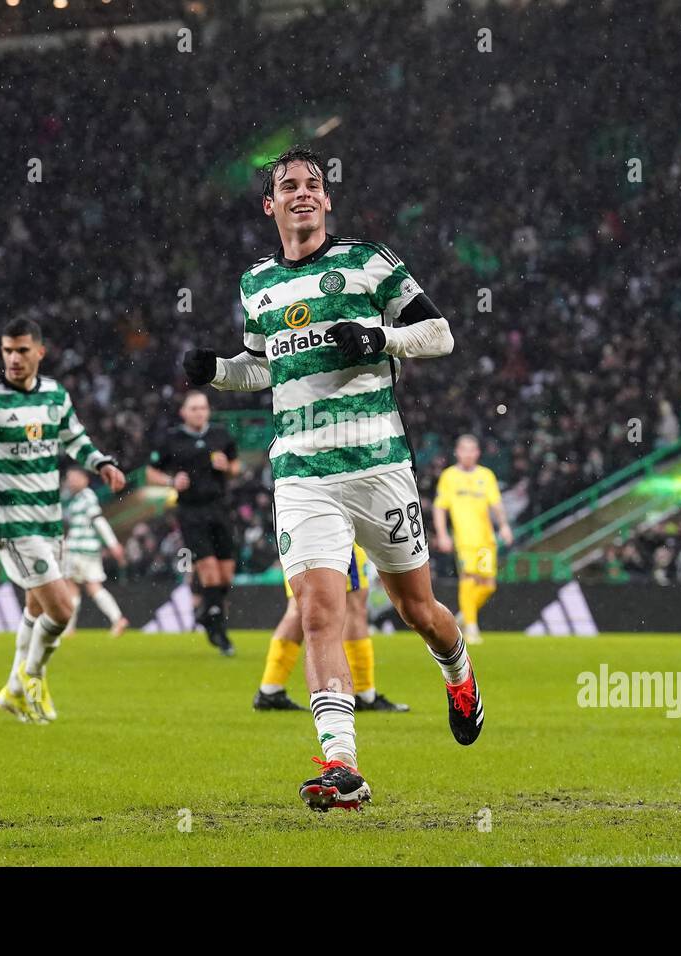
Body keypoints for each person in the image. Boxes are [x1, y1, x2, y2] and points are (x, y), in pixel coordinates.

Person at [183, 145, 482, 812]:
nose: (302, 194)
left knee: (416, 611)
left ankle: (459, 674)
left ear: (327, 200)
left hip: (378, 466)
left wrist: (383, 339)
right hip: (301, 473)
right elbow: (263, 368)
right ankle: (341, 764)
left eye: (312, 185)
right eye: (288, 186)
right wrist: (216, 372)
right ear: (270, 205)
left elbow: (441, 334)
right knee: (319, 609)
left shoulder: (369, 263)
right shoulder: (255, 282)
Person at [0, 318, 125, 724]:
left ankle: (11, 690)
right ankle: (32, 676)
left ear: (40, 352)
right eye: (7, 350)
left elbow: (75, 438)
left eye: (22, 350)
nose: (13, 358)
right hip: (13, 522)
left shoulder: (55, 396)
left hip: (49, 519)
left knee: (34, 606)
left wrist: (102, 464)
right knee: (61, 609)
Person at [255, 543, 409, 713]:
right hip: (332, 532)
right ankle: (364, 693)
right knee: (354, 605)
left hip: (295, 531)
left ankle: (270, 688)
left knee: (299, 608)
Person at [146, 391, 240, 656]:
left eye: (203, 408)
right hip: (191, 511)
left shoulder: (221, 435)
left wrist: (228, 467)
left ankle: (209, 613)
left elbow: (236, 466)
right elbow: (150, 472)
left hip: (220, 509)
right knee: (208, 568)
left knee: (226, 574)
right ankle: (218, 631)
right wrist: (170, 482)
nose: (200, 412)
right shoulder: (172, 439)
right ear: (183, 412)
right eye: (194, 408)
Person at [433, 434, 513, 644]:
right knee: (468, 578)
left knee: (488, 585)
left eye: (472, 450)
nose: (468, 454)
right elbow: (440, 507)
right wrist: (442, 534)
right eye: (464, 449)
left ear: (477, 453)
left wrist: (504, 526)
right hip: (464, 540)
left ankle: (463, 616)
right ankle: (471, 628)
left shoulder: (486, 475)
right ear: (457, 452)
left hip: (486, 540)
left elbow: (496, 504)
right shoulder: (449, 476)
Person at [61, 467, 129, 637]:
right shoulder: (76, 498)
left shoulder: (86, 496)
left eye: (73, 477)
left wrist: (113, 544)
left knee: (79, 587)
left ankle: (116, 619)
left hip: (81, 549)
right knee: (84, 587)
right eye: (69, 477)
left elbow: (98, 520)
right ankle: (115, 619)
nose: (70, 481)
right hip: (83, 548)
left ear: (84, 479)